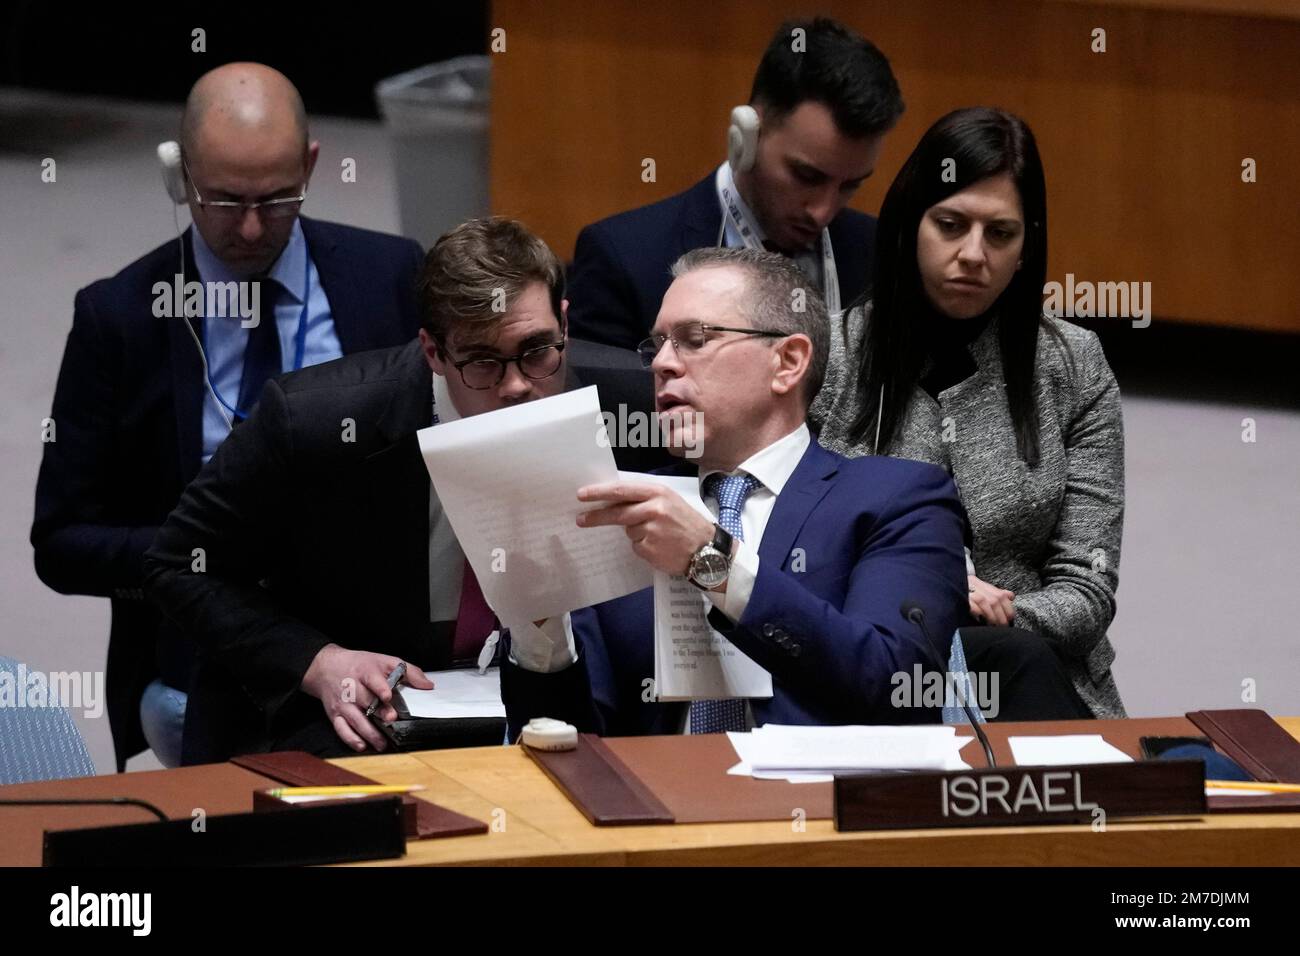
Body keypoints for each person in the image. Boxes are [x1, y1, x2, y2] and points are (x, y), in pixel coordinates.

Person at [31, 63, 424, 770]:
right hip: (203, 665)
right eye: (222, 201)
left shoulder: (389, 276)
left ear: (309, 166)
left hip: (372, 651)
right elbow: (61, 543)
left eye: (277, 201)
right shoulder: (118, 318)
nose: (249, 228)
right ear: (179, 177)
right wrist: (206, 555)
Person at [143, 217, 651, 764]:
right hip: (362, 721)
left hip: (563, 698)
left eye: (536, 350)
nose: (517, 386)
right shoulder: (314, 419)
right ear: (432, 351)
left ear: (565, 324)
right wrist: (318, 661)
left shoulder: (630, 402)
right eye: (482, 361)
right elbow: (177, 564)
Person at [502, 247, 970, 736]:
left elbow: (895, 687)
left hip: (817, 801)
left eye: (693, 339)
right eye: (658, 344)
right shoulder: (622, 511)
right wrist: (541, 627)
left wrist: (712, 560)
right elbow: (576, 741)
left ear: (787, 362)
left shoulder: (898, 497)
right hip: (655, 803)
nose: (661, 363)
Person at [811, 107, 1125, 719]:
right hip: (871, 674)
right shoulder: (829, 355)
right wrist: (935, 591)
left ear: (1026, 242)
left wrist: (999, 611)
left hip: (1038, 676)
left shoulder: (1075, 363)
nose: (974, 254)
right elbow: (792, 556)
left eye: (1000, 234)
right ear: (909, 224)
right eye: (951, 225)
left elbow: (1087, 591)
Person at [566, 17, 903, 351]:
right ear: (746, 136)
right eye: (807, 176)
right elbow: (616, 405)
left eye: (850, 185)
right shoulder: (624, 259)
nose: (823, 211)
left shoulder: (881, 255)